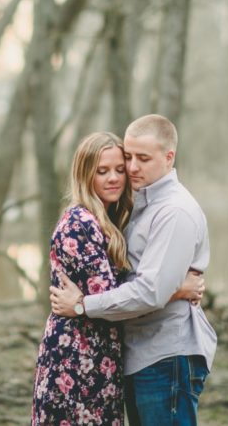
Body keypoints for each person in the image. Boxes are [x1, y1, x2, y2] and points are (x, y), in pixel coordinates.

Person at [50, 114, 217, 426]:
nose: (132, 167)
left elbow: (150, 292)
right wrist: (177, 289)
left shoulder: (173, 211)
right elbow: (139, 282)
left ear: (169, 157)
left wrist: (82, 305)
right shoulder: (138, 206)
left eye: (144, 158)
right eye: (128, 157)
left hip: (165, 355)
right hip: (141, 354)